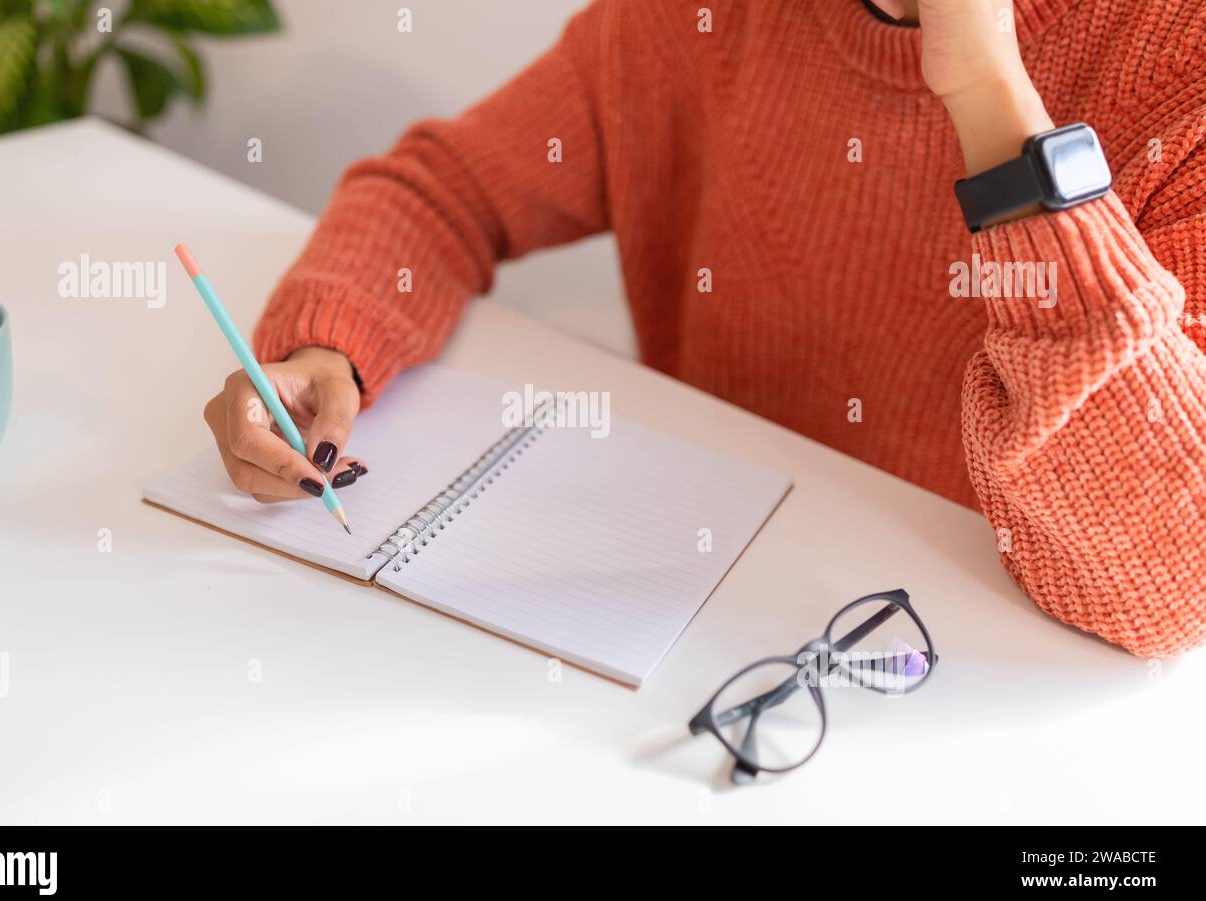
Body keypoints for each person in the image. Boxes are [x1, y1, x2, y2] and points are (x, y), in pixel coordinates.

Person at [203, 0, 1206, 656]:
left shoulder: (1178, 60)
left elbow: (1167, 586)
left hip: (944, 678)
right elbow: (448, 187)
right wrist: (322, 344)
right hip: (668, 625)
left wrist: (987, 85)